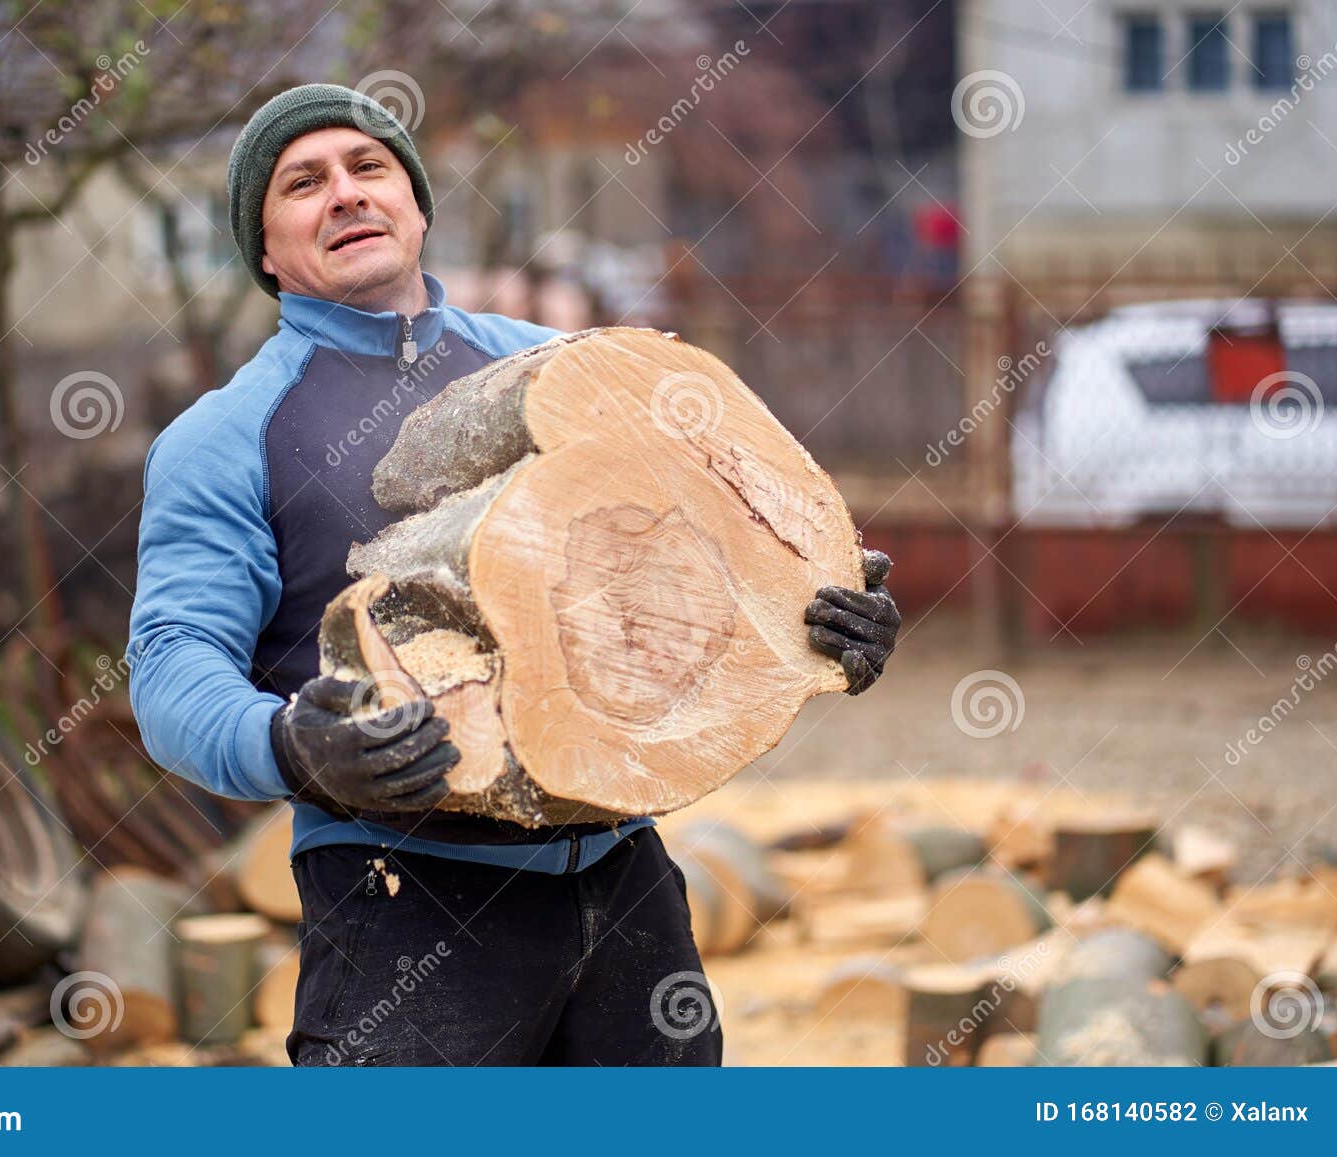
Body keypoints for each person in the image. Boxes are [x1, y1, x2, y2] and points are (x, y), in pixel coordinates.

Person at [125, 83, 901, 1066]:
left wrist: (831, 609)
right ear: (266, 251)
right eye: (303, 183)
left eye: (369, 167)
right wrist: (291, 745)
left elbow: (711, 548)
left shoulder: (571, 370)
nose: (346, 193)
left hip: (627, 888)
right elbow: (170, 667)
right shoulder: (227, 438)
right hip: (402, 905)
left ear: (415, 205)